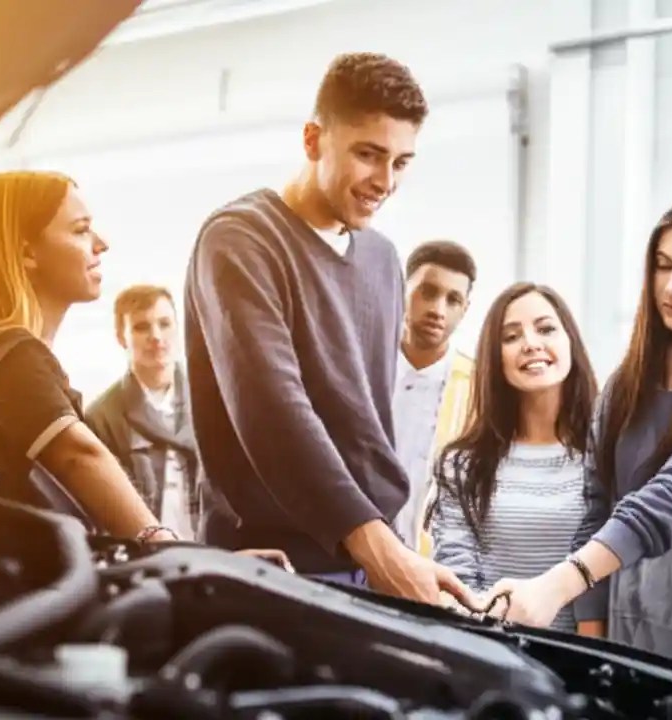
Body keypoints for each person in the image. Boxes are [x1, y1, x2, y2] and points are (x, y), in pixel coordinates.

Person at [183, 52, 477, 608]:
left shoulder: (383, 259)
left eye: (401, 162)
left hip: (369, 562)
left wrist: (392, 550)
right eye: (368, 155)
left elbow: (367, 428)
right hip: (274, 570)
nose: (384, 182)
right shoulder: (241, 240)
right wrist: (380, 551)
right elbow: (273, 410)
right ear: (313, 139)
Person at [486, 189, 672, 678]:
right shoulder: (625, 387)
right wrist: (591, 635)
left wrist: (555, 586)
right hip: (632, 635)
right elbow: (598, 508)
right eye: (663, 266)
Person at [0, 172, 288, 567]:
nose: (102, 243)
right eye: (81, 230)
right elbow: (80, 455)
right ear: (28, 253)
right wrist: (178, 555)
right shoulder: (14, 358)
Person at [428, 282, 597, 632]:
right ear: (495, 357)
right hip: (491, 649)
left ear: (571, 342)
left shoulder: (606, 456)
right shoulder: (460, 464)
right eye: (511, 336)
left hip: (588, 654)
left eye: (546, 329)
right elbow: (456, 584)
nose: (531, 343)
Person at [86, 284, 203, 543]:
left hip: (212, 549)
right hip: (146, 553)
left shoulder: (209, 401)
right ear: (121, 337)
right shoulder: (102, 418)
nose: (156, 336)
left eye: (165, 324)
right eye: (141, 327)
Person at [393, 240, 477, 554]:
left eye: (453, 300)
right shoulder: (360, 367)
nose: (438, 310)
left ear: (465, 309)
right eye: (427, 292)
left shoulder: (479, 389)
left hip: (433, 567)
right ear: (402, 289)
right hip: (345, 563)